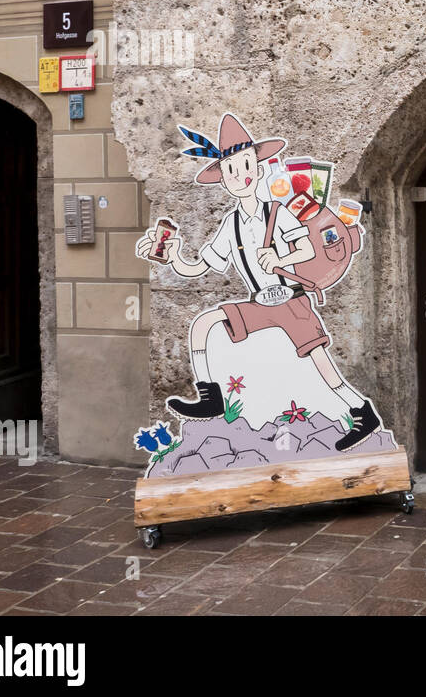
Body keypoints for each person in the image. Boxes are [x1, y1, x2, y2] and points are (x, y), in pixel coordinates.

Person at [135, 113, 382, 451]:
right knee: (204, 323)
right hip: (258, 302)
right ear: (223, 179)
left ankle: (361, 412)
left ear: (259, 168)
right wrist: (171, 254)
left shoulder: (278, 212)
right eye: (232, 170)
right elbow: (198, 268)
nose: (241, 175)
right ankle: (212, 398)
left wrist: (281, 259)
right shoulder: (231, 224)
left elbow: (307, 247)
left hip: (291, 301)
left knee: (322, 364)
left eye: (246, 166)